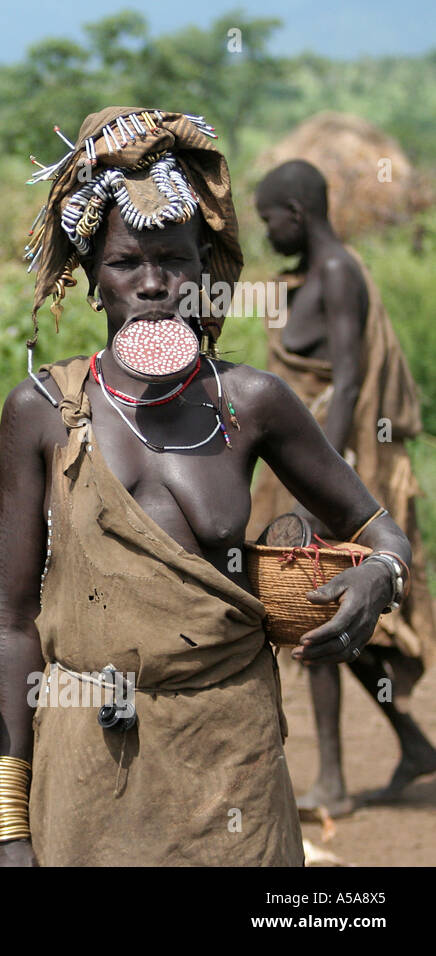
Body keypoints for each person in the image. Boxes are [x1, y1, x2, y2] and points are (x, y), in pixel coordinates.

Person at [0, 107, 413, 867]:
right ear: (91, 277)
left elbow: (378, 525)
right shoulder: (43, 412)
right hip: (87, 766)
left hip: (231, 759)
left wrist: (380, 576)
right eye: (125, 263)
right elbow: (13, 620)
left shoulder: (251, 403)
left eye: (176, 261)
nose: (154, 285)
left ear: (204, 270)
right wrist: (10, 820)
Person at [248, 159, 436, 812]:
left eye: (269, 219)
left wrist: (318, 484)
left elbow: (348, 382)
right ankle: (412, 742)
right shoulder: (310, 276)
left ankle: (331, 779)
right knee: (330, 612)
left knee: (316, 604)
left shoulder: (336, 272)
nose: (266, 233)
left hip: (336, 466)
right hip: (315, 463)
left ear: (296, 213)